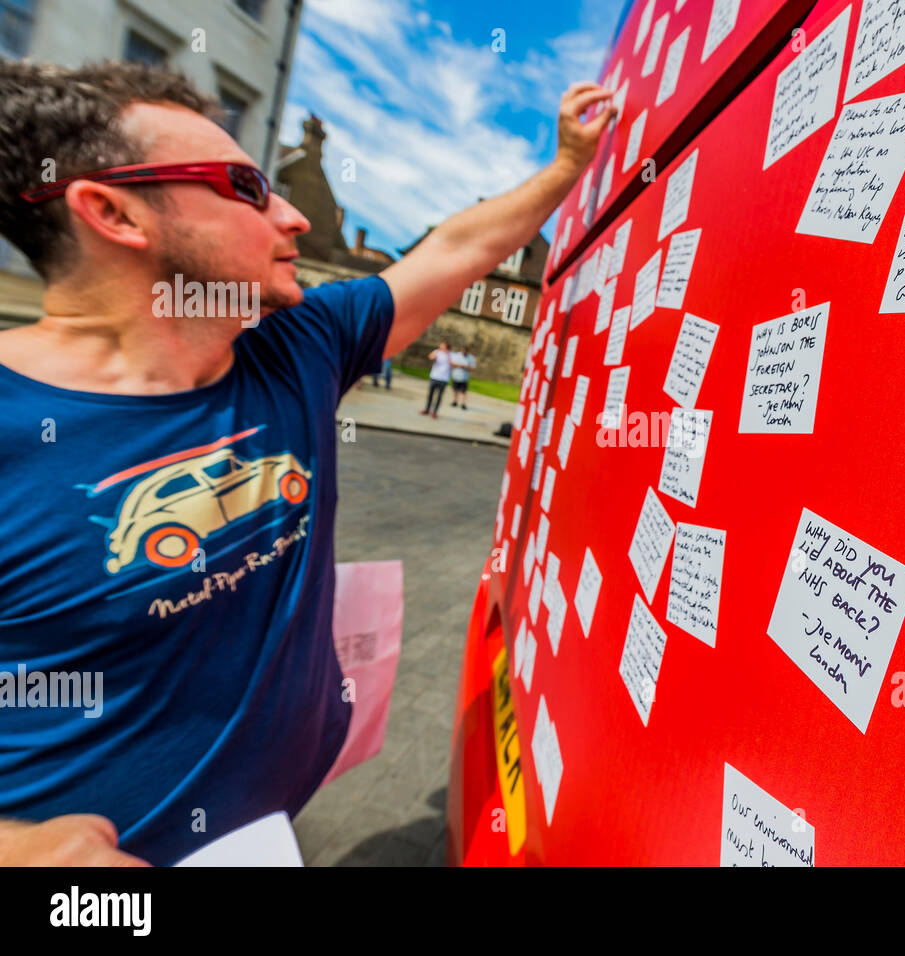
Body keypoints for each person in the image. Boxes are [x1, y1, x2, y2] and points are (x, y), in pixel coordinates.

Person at [0, 60, 614, 865]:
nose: (290, 215)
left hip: (271, 826)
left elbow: (459, 247)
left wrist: (569, 163)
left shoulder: (299, 345)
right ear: (112, 212)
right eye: (245, 187)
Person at [424, 340, 451, 417]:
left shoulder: (451, 354)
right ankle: (427, 409)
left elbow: (453, 364)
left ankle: (434, 412)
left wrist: (448, 355)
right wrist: (435, 355)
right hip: (434, 376)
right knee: (430, 395)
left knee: (439, 396)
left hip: (444, 379)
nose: (441, 346)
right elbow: (430, 357)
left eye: (442, 345)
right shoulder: (437, 351)